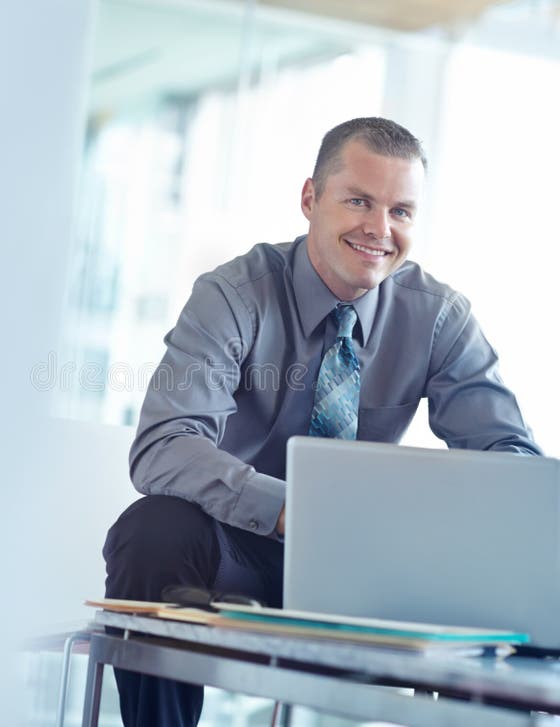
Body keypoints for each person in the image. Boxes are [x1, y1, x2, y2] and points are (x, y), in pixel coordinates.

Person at [103, 117, 541, 727]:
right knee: (153, 529)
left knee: (512, 567)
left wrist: (450, 522)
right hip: (240, 551)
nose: (379, 230)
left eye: (401, 212)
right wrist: (294, 509)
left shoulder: (438, 317)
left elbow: (511, 461)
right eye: (359, 201)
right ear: (310, 199)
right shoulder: (232, 296)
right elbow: (164, 445)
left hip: (376, 566)